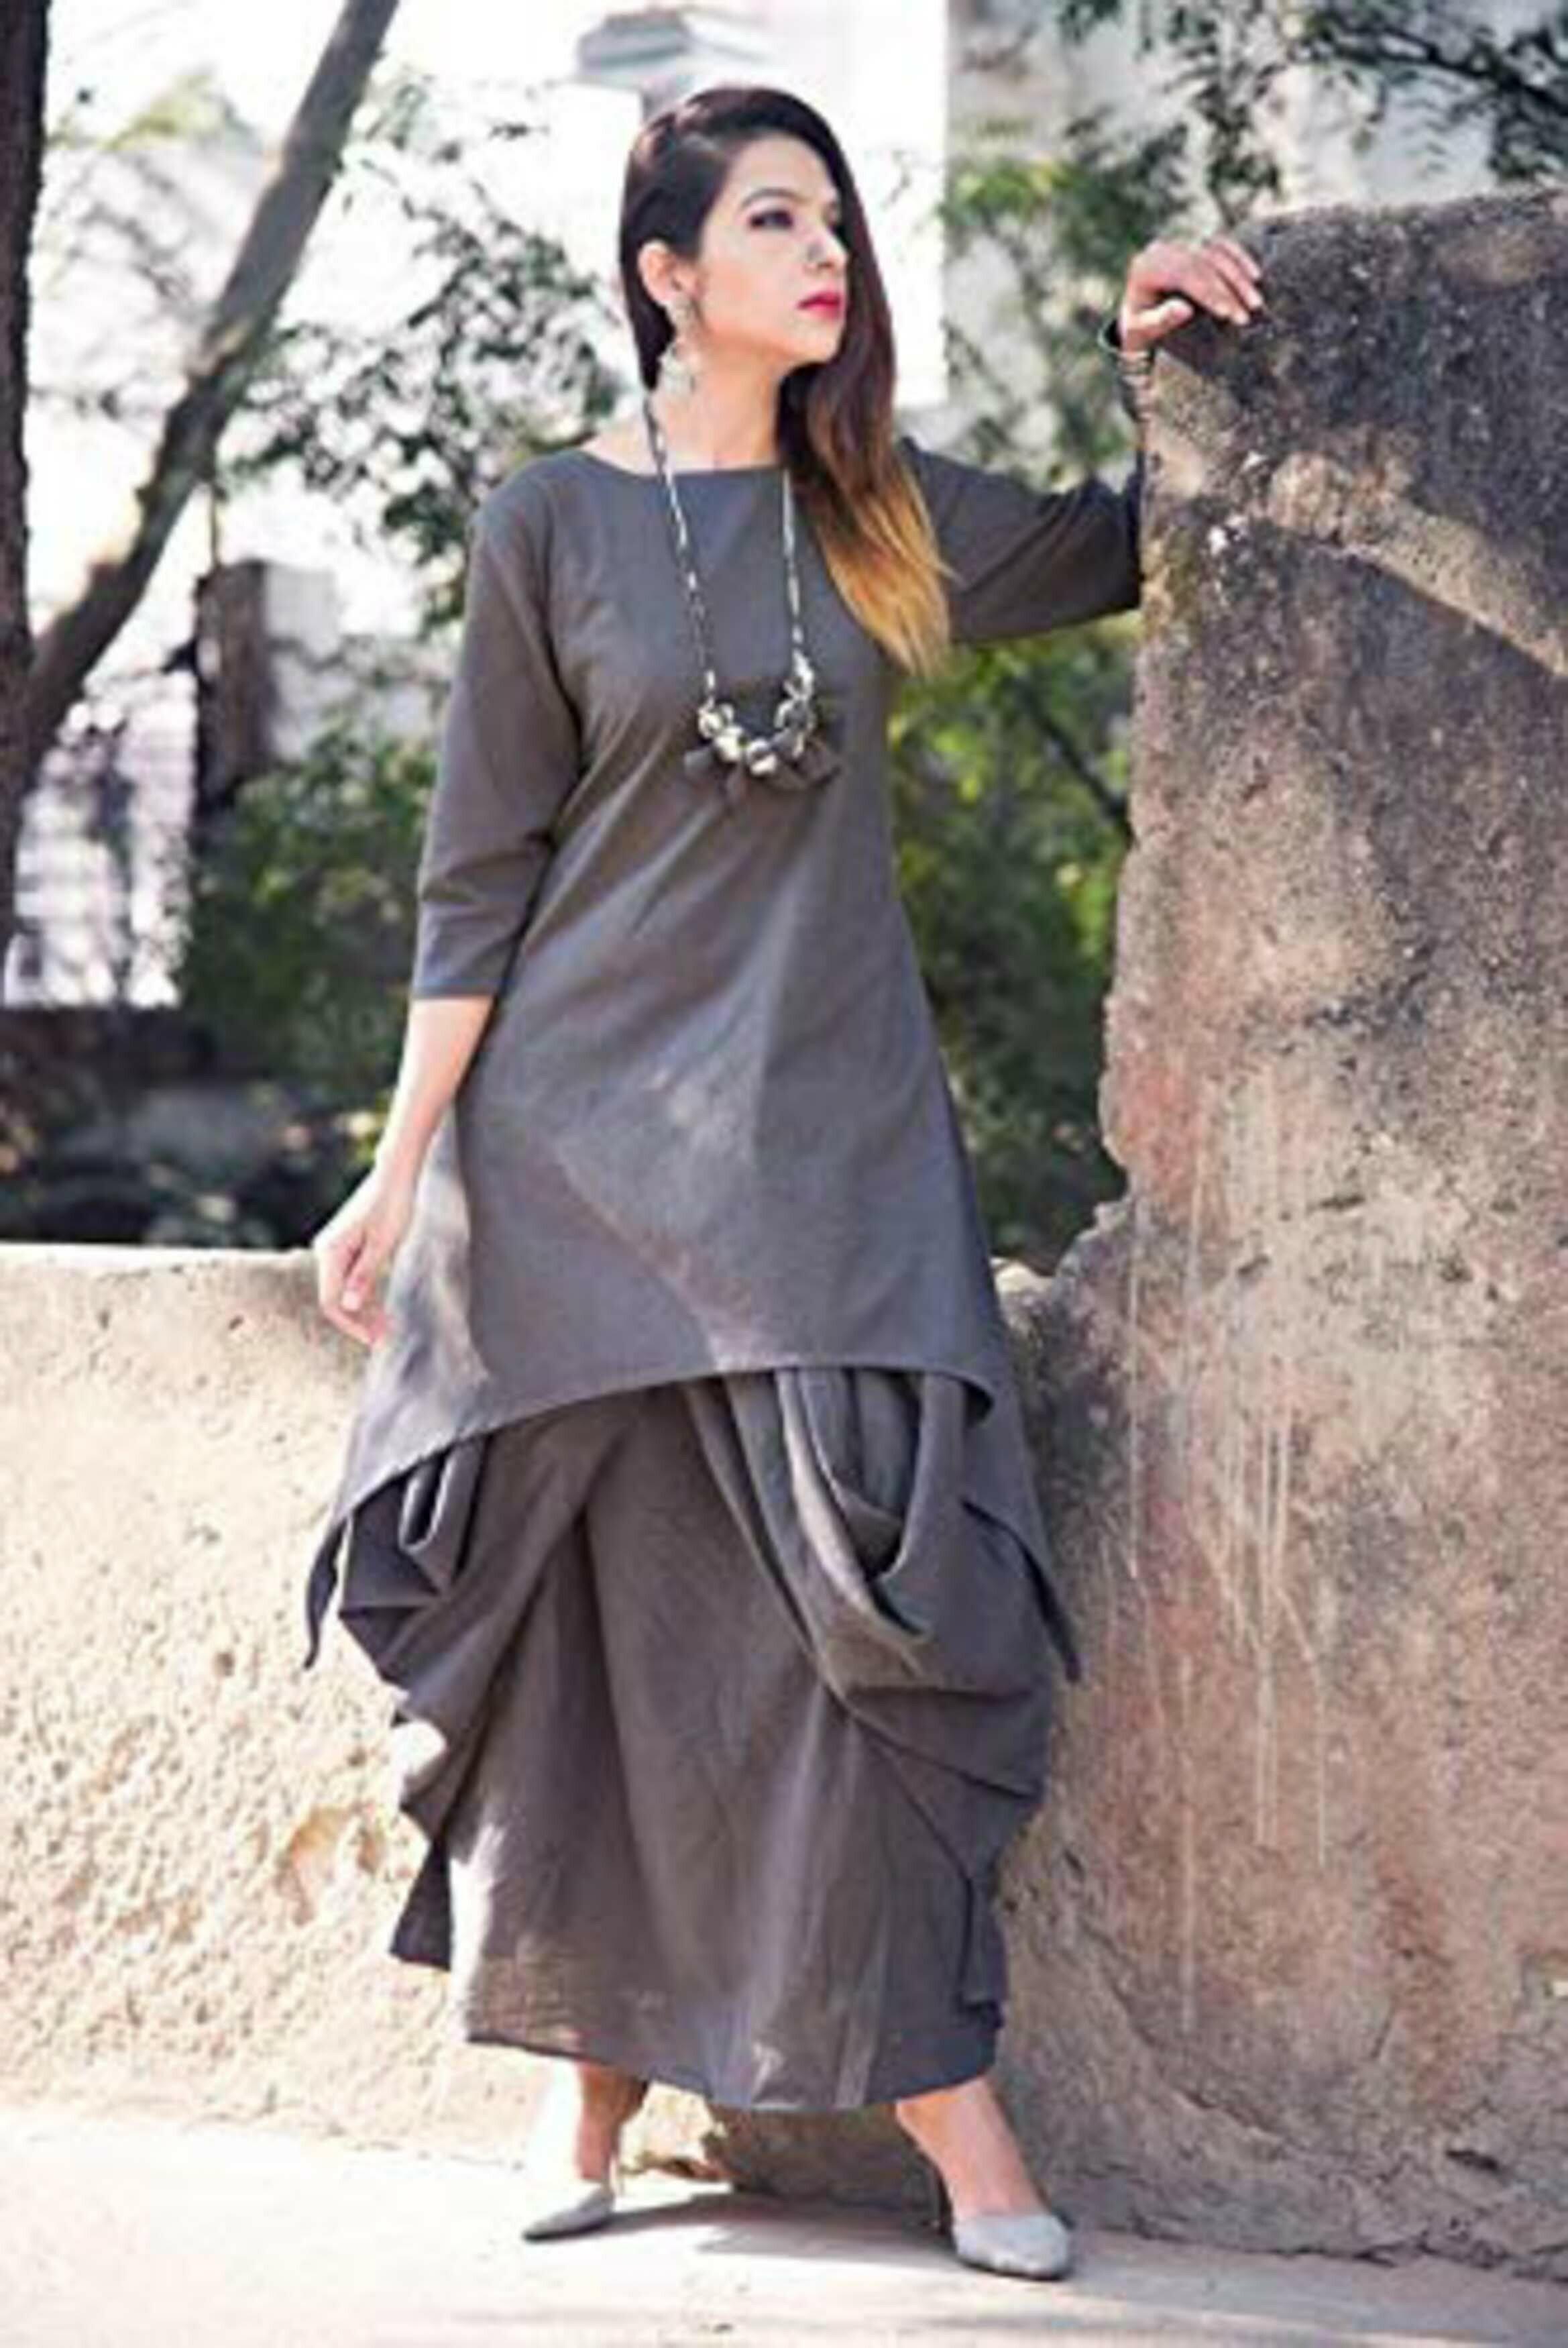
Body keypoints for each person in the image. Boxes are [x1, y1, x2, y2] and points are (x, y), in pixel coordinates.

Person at [303, 83, 1264, 2285]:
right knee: (598, 1632)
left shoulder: (877, 508)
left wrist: (1153, 342)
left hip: (827, 1167)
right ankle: (592, 2082)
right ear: (667, 274)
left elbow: (1131, 544)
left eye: (830, 217)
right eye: (770, 219)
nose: (824, 251)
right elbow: (478, 873)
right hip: (573, 1166)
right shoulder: (551, 520)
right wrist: (397, 1164)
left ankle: (948, 2103)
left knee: (878, 1618)